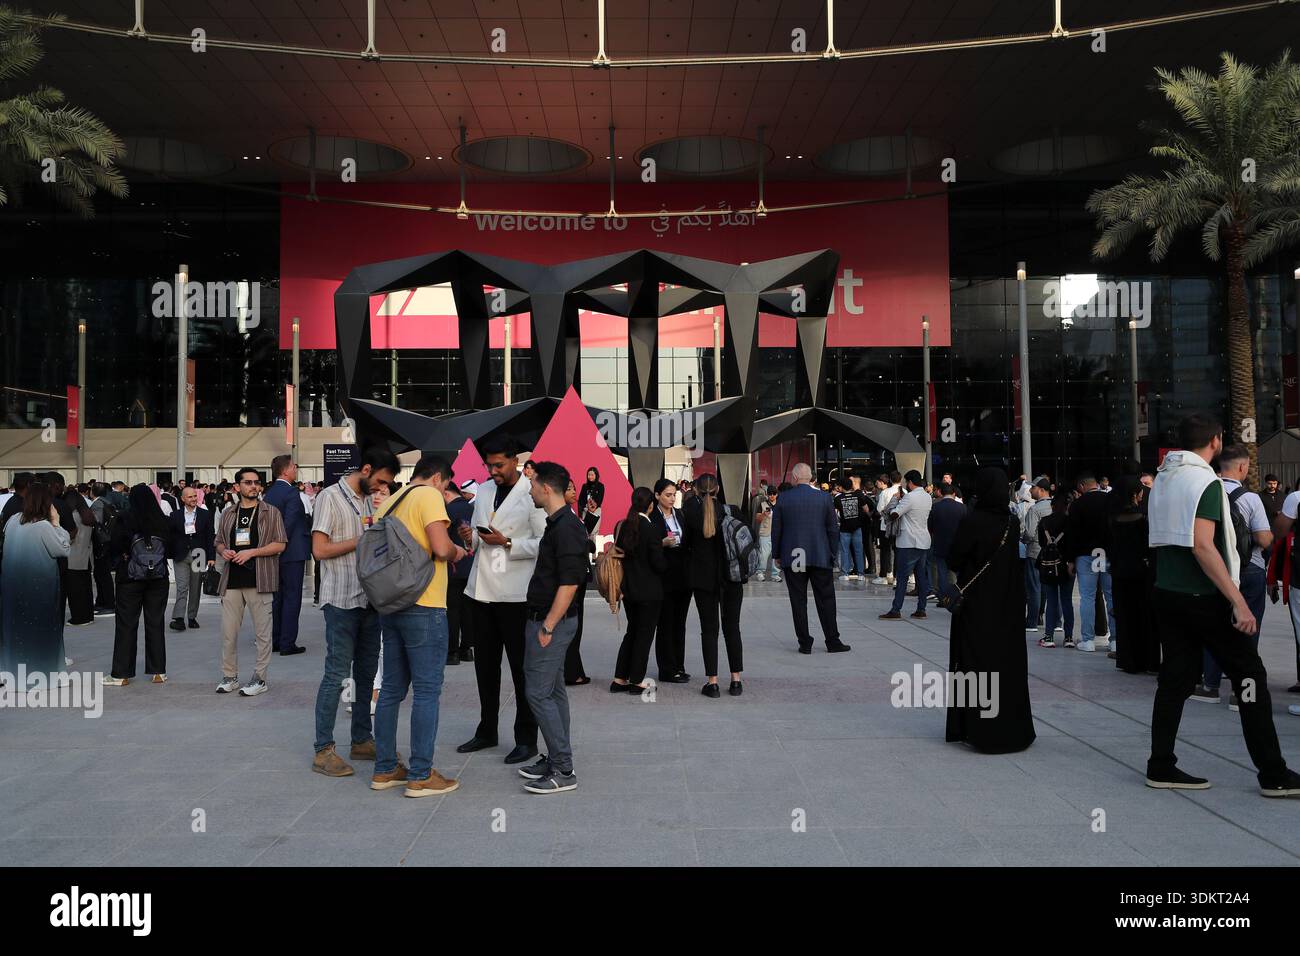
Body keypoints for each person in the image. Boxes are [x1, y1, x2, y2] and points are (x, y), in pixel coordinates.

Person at [1146, 413, 1300, 795]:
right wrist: (1238, 603)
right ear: (1215, 441)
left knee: (1175, 679)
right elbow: (1202, 545)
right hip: (1203, 597)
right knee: (1250, 676)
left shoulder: (1164, 477)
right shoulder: (1205, 484)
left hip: (1168, 592)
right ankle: (1273, 772)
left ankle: (1160, 764)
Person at [369, 454, 468, 797]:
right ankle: (421, 774)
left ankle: (384, 770)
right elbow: (440, 548)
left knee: (392, 689)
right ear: (439, 478)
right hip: (425, 604)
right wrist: (457, 551)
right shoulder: (428, 496)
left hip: (392, 604)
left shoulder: (390, 500)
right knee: (427, 690)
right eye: (446, 484)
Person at [456, 433, 547, 765]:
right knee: (485, 666)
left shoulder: (531, 494)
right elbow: (481, 541)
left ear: (515, 462)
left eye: (499, 465)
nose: (493, 470)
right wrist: (471, 539)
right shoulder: (483, 490)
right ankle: (486, 729)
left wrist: (508, 542)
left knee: (522, 670)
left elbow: (544, 541)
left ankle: (526, 738)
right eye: (489, 465)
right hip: (480, 592)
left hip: (516, 595)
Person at [309, 447, 399, 778]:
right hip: (341, 601)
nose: (380, 487)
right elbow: (319, 550)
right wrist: (363, 538)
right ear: (365, 468)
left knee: (365, 674)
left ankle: (362, 738)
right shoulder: (330, 498)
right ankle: (323, 749)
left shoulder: (369, 501)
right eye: (379, 481)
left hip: (370, 600)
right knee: (336, 674)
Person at [944, 466, 1036, 754]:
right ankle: (1011, 727)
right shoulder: (1010, 522)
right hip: (1007, 603)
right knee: (1007, 663)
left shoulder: (973, 521)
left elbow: (954, 559)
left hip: (976, 603)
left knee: (973, 661)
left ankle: (975, 726)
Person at [518, 461, 588, 794]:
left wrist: (547, 626)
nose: (529, 490)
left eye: (532, 485)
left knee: (537, 692)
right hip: (548, 620)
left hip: (551, 623)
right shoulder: (557, 524)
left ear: (546, 488)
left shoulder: (567, 527)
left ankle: (563, 768)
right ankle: (556, 757)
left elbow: (571, 582)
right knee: (554, 690)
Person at [1188, 445, 1272, 705]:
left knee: (1215, 628)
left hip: (1216, 571)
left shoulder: (1204, 492)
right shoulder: (1250, 498)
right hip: (1250, 570)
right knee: (1248, 629)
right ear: (1242, 467)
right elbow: (1263, 538)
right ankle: (1241, 693)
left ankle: (1210, 686)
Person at [214, 467, 288, 697]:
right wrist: (224, 550)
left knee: (263, 634)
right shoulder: (228, 513)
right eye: (248, 482)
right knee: (229, 633)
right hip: (232, 581)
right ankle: (230, 676)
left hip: (260, 579)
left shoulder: (270, 512)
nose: (254, 486)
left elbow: (280, 544)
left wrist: (252, 552)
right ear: (237, 487)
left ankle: (260, 678)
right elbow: (218, 541)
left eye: (257, 482)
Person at [772, 463, 849, 655]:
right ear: (811, 478)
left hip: (795, 556)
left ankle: (805, 642)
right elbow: (833, 529)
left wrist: (777, 554)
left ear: (795, 478)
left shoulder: (784, 498)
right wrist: (832, 553)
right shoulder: (824, 498)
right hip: (819, 555)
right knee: (826, 599)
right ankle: (833, 640)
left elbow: (777, 529)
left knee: (798, 600)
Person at [682, 473, 747, 694]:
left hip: (703, 580)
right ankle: (736, 680)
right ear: (718, 489)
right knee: (733, 628)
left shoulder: (690, 513)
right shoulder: (732, 511)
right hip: (731, 579)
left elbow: (684, 546)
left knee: (709, 631)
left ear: (697, 491)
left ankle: (713, 682)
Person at [102, 484, 172, 685]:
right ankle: (158, 671)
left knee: (126, 624)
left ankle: (121, 674)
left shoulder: (124, 518)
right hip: (158, 577)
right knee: (155, 622)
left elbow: (113, 545)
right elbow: (173, 548)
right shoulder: (162, 520)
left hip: (129, 577)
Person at [0, 481, 70, 682]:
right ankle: (42, 675)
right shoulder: (43, 526)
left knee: (15, 629)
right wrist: (57, 523)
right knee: (41, 630)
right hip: (39, 586)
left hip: (12, 584)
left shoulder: (13, 521)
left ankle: (13, 673)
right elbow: (63, 549)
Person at [610, 486, 666, 694]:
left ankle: (619, 678)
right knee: (644, 635)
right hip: (649, 592)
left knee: (632, 632)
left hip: (629, 590)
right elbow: (658, 564)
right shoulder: (651, 529)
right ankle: (637, 680)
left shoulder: (625, 526)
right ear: (651, 505)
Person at [1109, 475, 1159, 674]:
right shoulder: (1143, 519)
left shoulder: (1113, 519)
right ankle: (1149, 659)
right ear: (1135, 494)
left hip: (1120, 573)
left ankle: (1128, 659)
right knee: (1145, 617)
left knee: (1124, 616)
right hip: (1141, 573)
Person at [263, 455, 311, 655]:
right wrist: (281, 543)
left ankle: (275, 639)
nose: (295, 469)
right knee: (292, 597)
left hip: (275, 553)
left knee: (278, 597)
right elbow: (289, 523)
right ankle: (287, 643)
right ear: (285, 471)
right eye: (293, 466)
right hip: (291, 552)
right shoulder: (291, 493)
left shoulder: (269, 494)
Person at [1065, 470, 1115, 652]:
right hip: (1108, 554)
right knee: (1111, 596)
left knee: (1087, 597)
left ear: (1081, 486)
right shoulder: (1111, 500)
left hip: (1085, 555)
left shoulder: (1078, 505)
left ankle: (1088, 640)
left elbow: (1072, 535)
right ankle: (1115, 640)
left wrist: (1070, 560)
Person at [651, 478, 691, 683]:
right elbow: (646, 546)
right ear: (657, 495)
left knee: (680, 624)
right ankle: (667, 668)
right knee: (665, 623)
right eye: (667, 494)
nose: (672, 498)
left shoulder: (680, 515)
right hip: (663, 577)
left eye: (674, 494)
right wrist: (662, 543)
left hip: (682, 577)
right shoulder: (652, 517)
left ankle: (679, 665)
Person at [880, 470, 932, 621]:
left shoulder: (910, 497)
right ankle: (921, 609)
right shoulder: (927, 496)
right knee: (921, 576)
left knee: (902, 576)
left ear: (910, 482)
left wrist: (896, 500)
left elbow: (894, 514)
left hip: (908, 541)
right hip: (923, 541)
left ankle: (896, 609)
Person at [166, 485, 215, 631]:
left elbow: (209, 536)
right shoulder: (175, 516)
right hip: (181, 554)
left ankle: (192, 617)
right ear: (182, 499)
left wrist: (211, 557)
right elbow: (170, 537)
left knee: (195, 587)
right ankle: (179, 618)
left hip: (199, 553)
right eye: (190, 497)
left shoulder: (205, 515)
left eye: (195, 496)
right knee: (182, 587)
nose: (194, 499)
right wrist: (170, 553)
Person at [562, 479, 591, 686]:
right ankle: (571, 672)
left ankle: (573, 670)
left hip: (577, 576)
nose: (573, 492)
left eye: (574, 488)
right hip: (571, 577)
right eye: (569, 489)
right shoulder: (563, 516)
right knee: (571, 626)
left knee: (575, 626)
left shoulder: (572, 513)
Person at [1036, 493, 1075, 648]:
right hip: (1066, 565)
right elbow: (1073, 543)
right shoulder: (1070, 522)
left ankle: (1049, 636)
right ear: (1066, 506)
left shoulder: (1044, 522)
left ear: (1052, 506)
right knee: (1067, 600)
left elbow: (1041, 542)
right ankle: (1069, 637)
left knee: (1051, 601)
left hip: (1048, 566)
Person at [443, 480, 475, 665]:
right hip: (470, 566)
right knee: (467, 609)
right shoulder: (472, 508)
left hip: (453, 567)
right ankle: (467, 649)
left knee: (452, 610)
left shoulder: (448, 512)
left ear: (447, 492)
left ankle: (452, 651)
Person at [1021, 477, 1052, 632]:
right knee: (1049, 587)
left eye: (1032, 488)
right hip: (1052, 553)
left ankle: (1032, 620)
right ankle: (1050, 619)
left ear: (1040, 489)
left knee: (1034, 587)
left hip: (1035, 551)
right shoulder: (1055, 506)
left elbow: (1029, 533)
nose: (1030, 491)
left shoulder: (1035, 509)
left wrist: (1023, 539)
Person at [63, 485, 96, 627]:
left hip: (73, 557)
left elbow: (68, 537)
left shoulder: (72, 516)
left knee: (75, 591)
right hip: (86, 556)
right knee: (86, 588)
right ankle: (88, 615)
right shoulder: (87, 515)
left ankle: (78, 617)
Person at [928, 482, 966, 591]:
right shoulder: (962, 508)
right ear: (954, 493)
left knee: (942, 572)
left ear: (941, 493)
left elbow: (930, 527)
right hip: (957, 545)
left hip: (940, 544)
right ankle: (955, 594)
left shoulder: (935, 507)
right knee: (955, 572)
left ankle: (944, 597)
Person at [87, 482, 117, 613]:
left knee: (102, 574)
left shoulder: (98, 504)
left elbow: (97, 523)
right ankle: (102, 601)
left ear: (92, 492)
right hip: (108, 541)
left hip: (101, 543)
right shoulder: (108, 502)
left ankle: (107, 603)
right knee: (103, 573)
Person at [834, 476, 866, 580]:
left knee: (845, 551)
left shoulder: (838, 498)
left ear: (842, 487)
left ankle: (845, 574)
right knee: (859, 550)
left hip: (845, 528)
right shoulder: (857, 496)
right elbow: (866, 508)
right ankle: (861, 574)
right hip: (857, 527)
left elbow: (834, 513)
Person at [872, 473, 901, 585]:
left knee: (885, 551)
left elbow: (879, 509)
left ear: (890, 480)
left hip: (885, 526)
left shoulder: (885, 492)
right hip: (900, 526)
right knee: (898, 551)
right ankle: (897, 578)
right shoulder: (905, 492)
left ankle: (884, 575)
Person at [752, 484, 781, 583]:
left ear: (777, 494)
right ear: (767, 494)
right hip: (765, 533)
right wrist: (764, 514)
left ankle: (775, 574)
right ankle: (760, 572)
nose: (772, 495)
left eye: (774, 494)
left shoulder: (780, 504)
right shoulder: (762, 504)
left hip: (777, 533)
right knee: (763, 555)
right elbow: (757, 518)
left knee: (776, 555)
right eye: (770, 494)